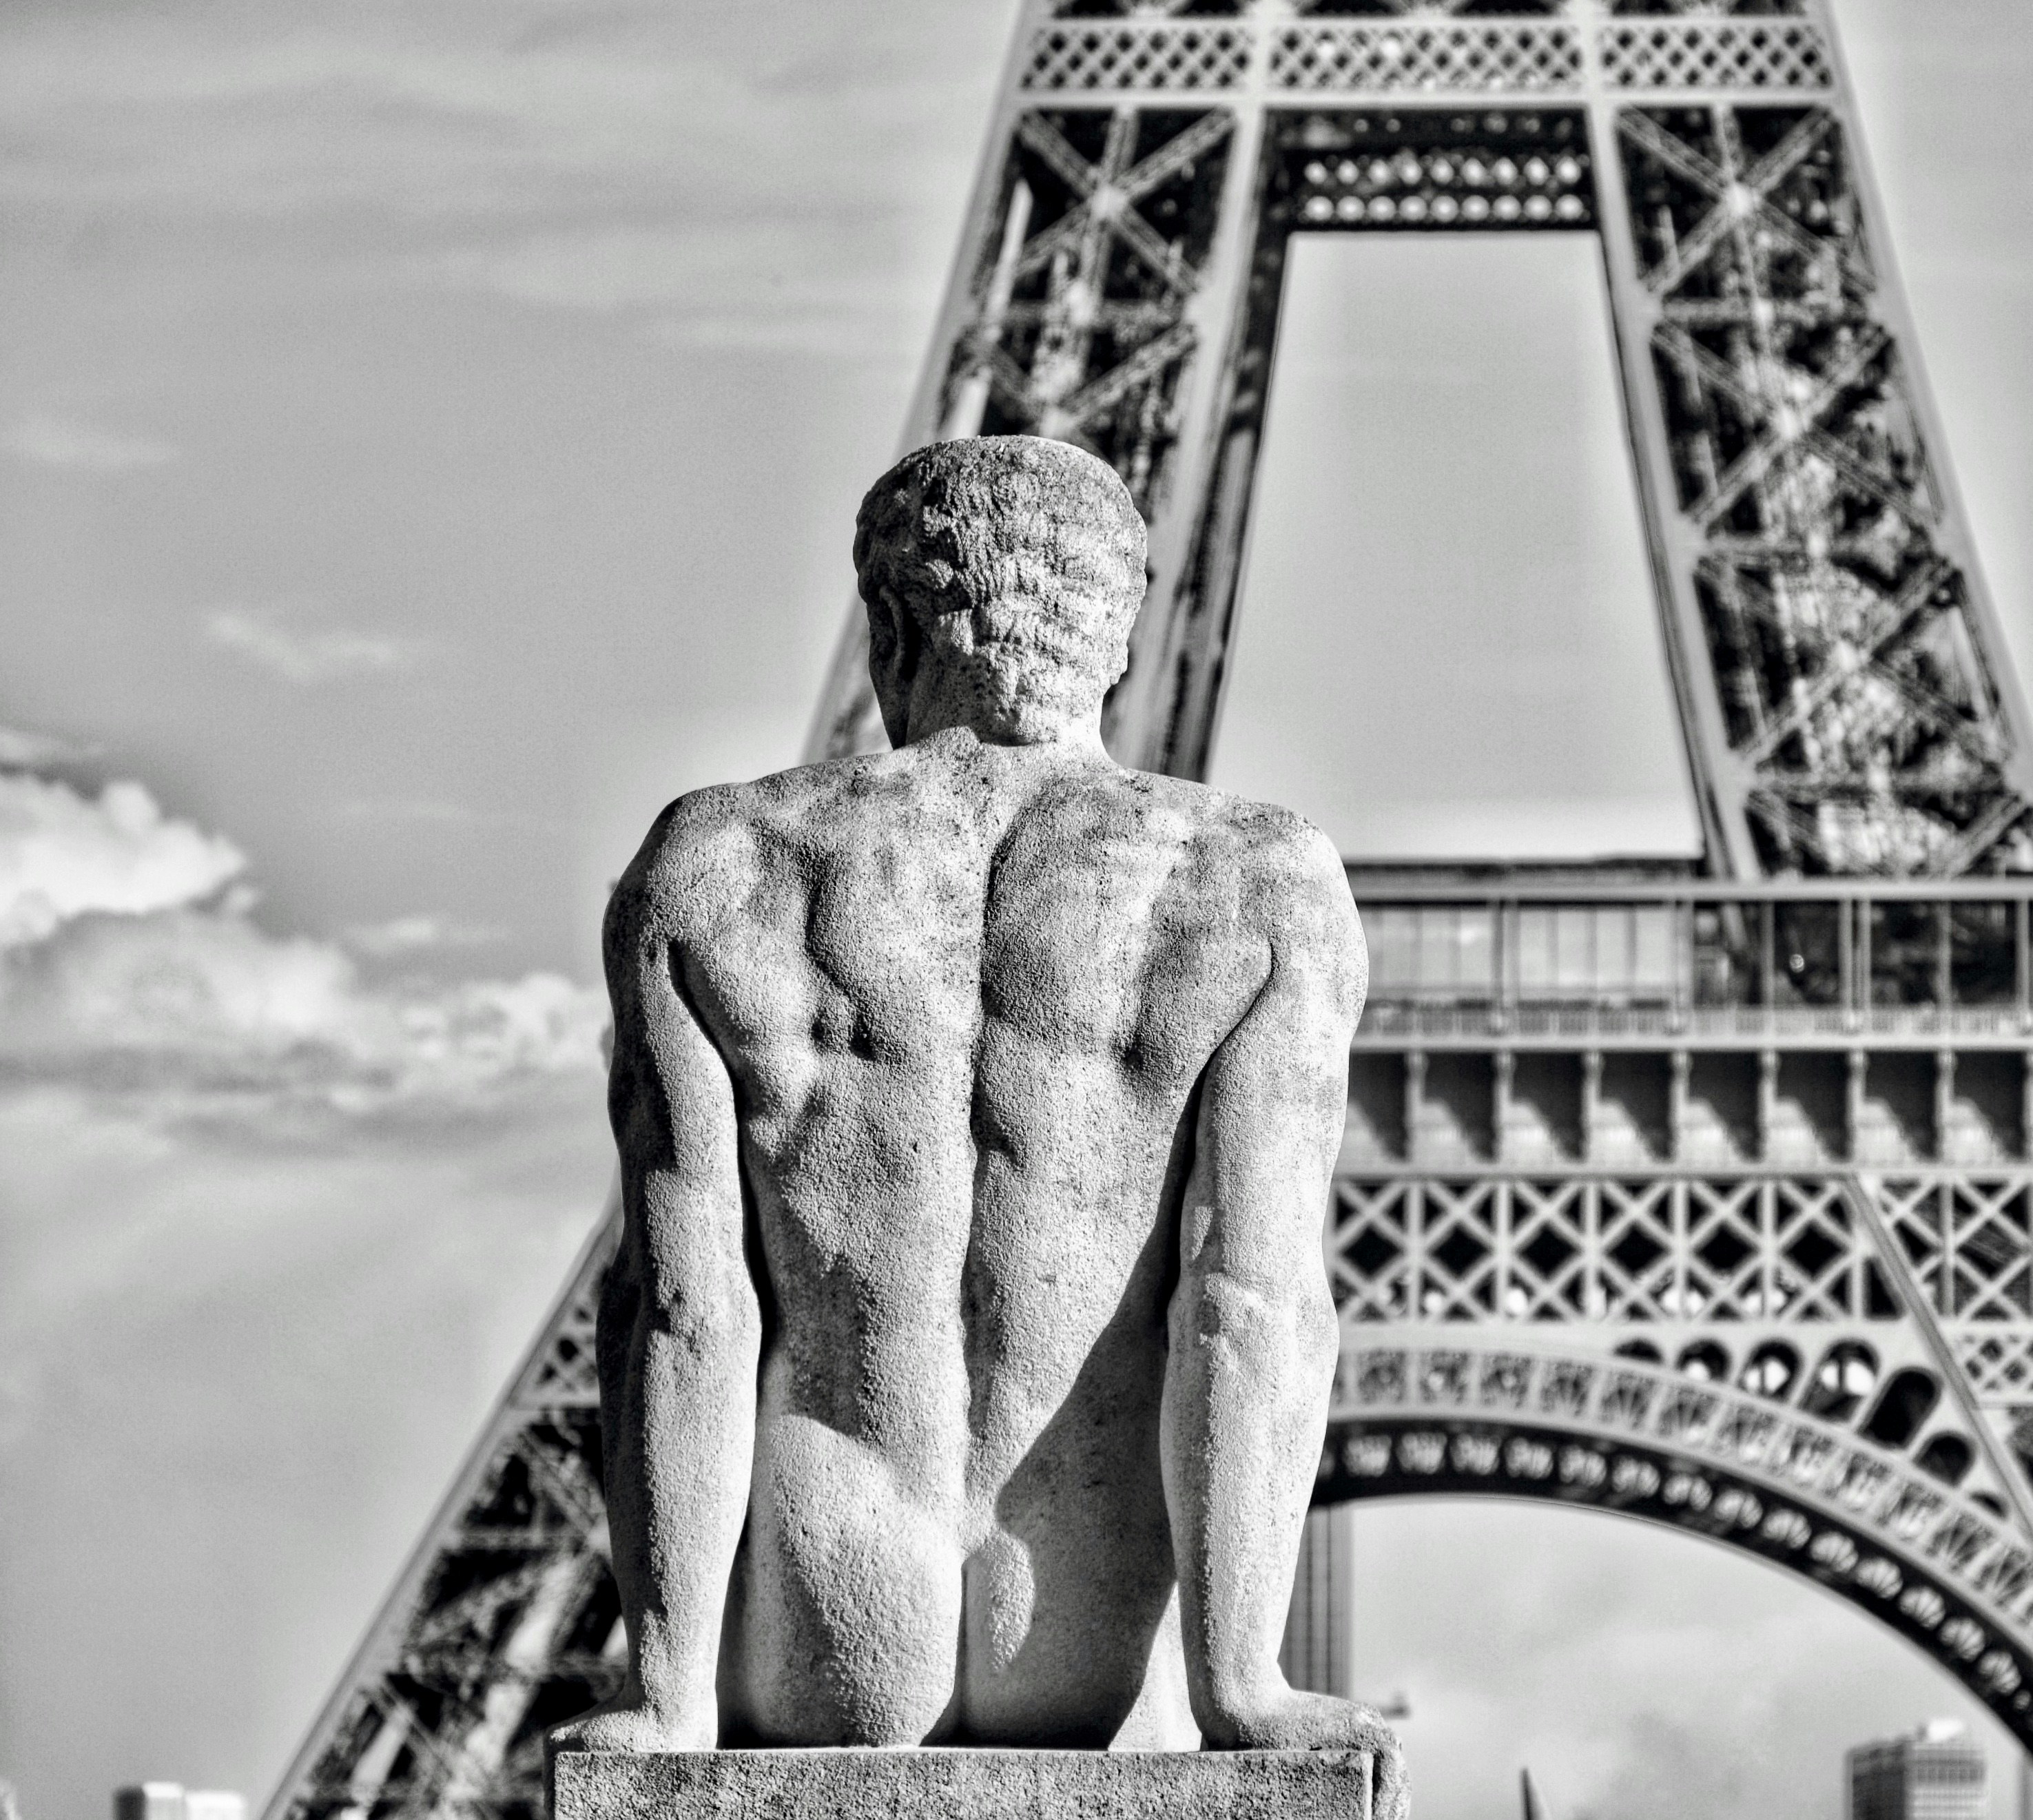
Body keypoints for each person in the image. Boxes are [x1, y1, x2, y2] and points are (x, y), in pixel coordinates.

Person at [548, 436, 1399, 1817]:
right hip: (1085, 1635)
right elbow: (1249, 1304)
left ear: (889, 624)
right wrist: (1246, 1680)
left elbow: (686, 1306)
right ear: (1119, 635)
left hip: (821, 1630)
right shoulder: (1257, 883)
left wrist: (669, 1697)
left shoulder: (716, 863)